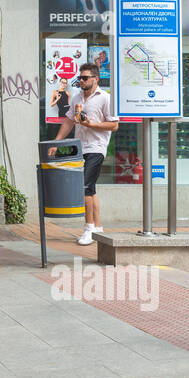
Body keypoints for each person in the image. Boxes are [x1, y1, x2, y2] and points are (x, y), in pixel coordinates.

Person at [49, 61, 119, 246]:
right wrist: (57, 143)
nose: (81, 80)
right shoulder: (76, 98)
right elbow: (69, 121)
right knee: (91, 188)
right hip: (81, 146)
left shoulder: (105, 98)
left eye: (85, 78)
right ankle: (98, 227)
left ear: (95, 79)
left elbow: (114, 124)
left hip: (97, 147)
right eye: (79, 77)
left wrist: (91, 125)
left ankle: (88, 229)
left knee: (85, 187)